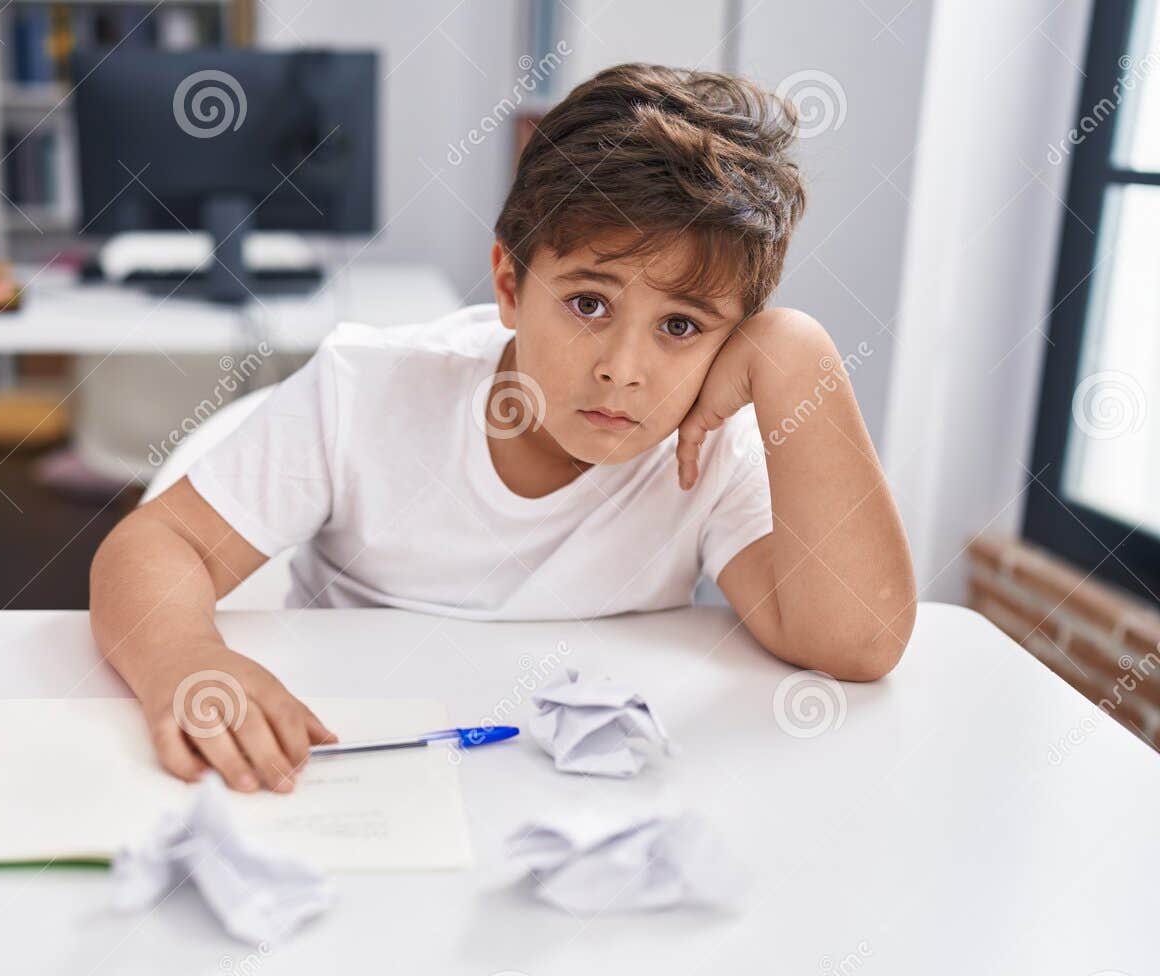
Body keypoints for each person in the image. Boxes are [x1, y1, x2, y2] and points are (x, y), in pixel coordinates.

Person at [89, 63, 917, 793]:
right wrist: (182, 660)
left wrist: (797, 356)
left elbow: (855, 642)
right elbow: (159, 545)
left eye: (681, 326)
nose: (624, 370)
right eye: (589, 304)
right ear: (510, 285)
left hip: (559, 789)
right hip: (349, 762)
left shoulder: (709, 441)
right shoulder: (366, 390)